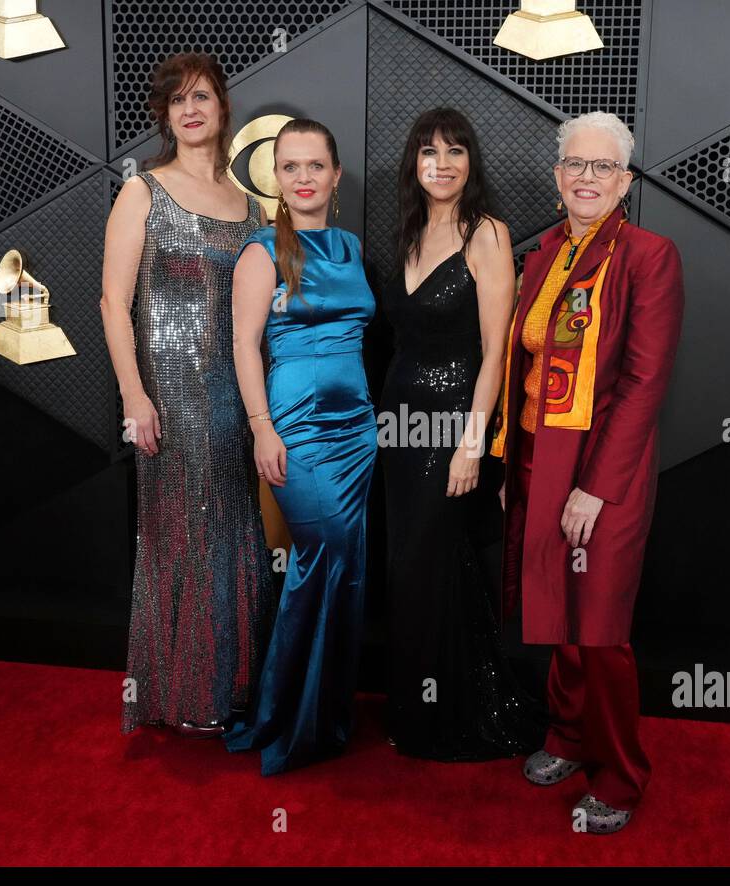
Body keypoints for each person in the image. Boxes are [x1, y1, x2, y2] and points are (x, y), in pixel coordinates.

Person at [491, 111, 685, 833]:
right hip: (540, 453)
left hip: (607, 468)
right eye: (574, 164)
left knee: (599, 626)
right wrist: (514, 457)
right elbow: (523, 363)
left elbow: (643, 384)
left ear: (625, 181)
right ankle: (569, 736)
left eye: (602, 167)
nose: (585, 177)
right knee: (560, 615)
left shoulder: (647, 256)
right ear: (556, 176)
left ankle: (623, 775)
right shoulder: (543, 256)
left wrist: (595, 487)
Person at [103, 53, 275, 737]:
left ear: (222, 106)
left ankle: (234, 684)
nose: (190, 108)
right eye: (176, 100)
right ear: (165, 115)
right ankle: (182, 692)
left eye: (201, 95)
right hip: (168, 399)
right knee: (180, 536)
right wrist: (133, 396)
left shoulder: (254, 206)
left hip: (236, 396)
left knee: (235, 531)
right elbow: (114, 303)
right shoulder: (143, 191)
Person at [378, 107, 546, 760]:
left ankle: (453, 715)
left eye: (454, 151)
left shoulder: (489, 235)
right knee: (408, 568)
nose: (440, 164)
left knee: (437, 563)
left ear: (471, 162)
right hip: (398, 424)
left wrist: (473, 444)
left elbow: (496, 353)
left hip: (454, 425)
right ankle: (414, 713)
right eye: (428, 152)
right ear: (413, 165)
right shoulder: (408, 232)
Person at [223, 119, 378, 775]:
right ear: (276, 178)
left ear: (335, 175)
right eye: (291, 167)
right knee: (322, 557)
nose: (305, 177)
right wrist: (261, 425)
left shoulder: (349, 245)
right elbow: (243, 343)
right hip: (298, 428)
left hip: (358, 431)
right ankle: (283, 714)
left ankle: (325, 715)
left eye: (316, 165)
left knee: (348, 568)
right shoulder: (263, 252)